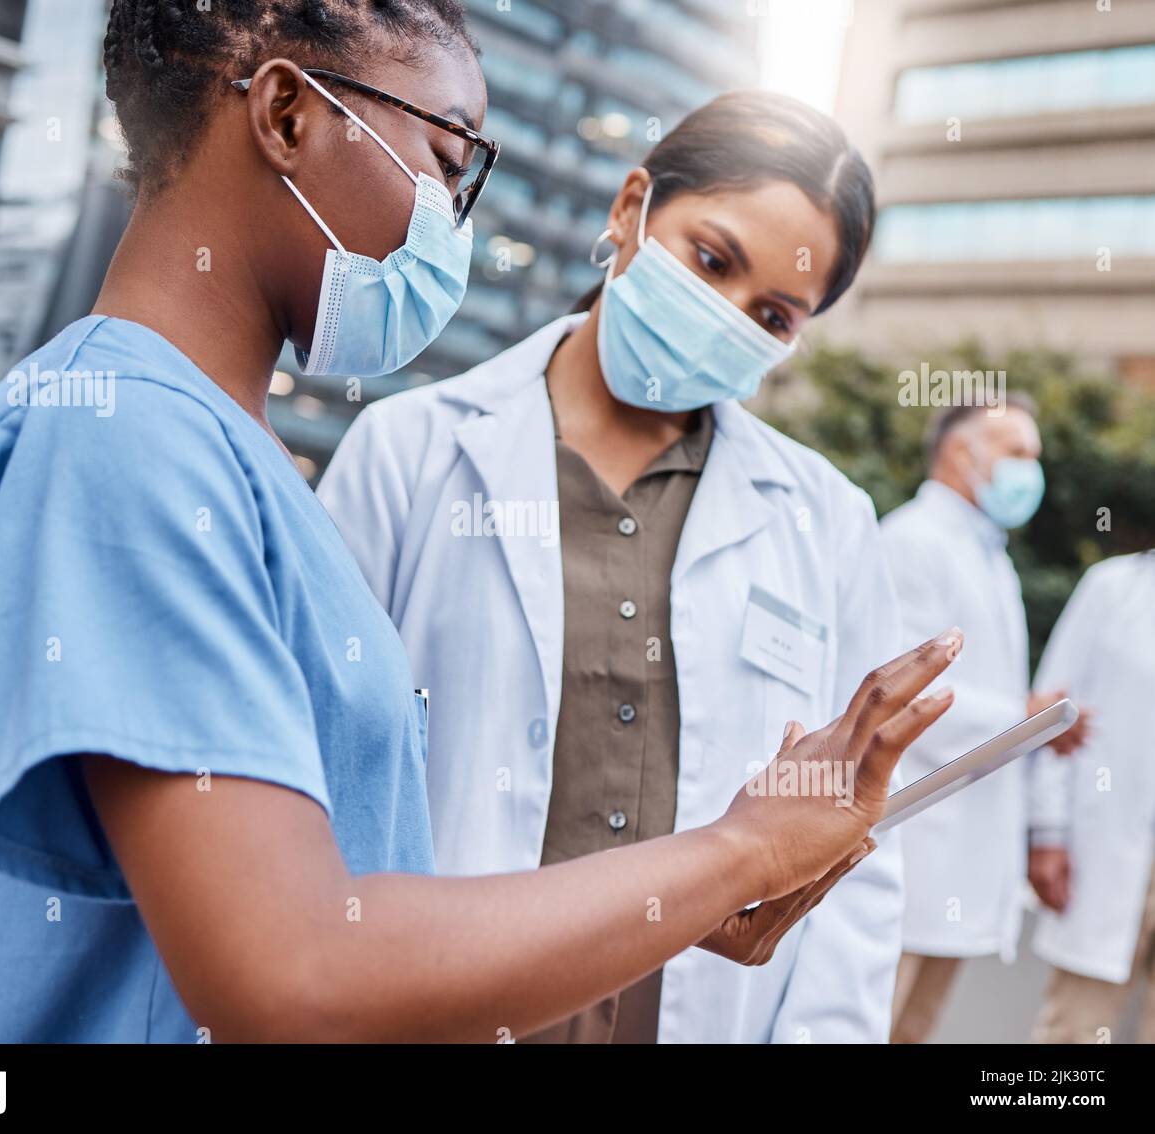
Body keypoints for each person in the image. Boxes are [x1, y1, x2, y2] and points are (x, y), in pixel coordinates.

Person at [0, 0, 959, 1043]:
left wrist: (696, 896)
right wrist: (738, 852)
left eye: (775, 315)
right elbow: (294, 970)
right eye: (446, 159)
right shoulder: (120, 437)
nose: (449, 223)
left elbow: (343, 876)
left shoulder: (230, 457)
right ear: (285, 113)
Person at [320, 91, 911, 1043]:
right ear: (630, 208)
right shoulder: (411, 453)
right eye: (711, 261)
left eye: (772, 312)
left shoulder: (827, 520)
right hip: (433, 1012)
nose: (727, 317)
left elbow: (856, 854)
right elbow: (321, 772)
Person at [881, 396, 1084, 1044]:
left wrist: (1032, 727)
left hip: (965, 853)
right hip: (910, 849)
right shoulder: (910, 541)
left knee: (912, 1032)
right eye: (1016, 452)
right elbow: (899, 692)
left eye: (1035, 456)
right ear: (959, 453)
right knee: (869, 1027)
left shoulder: (989, 556)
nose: (1030, 471)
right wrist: (1026, 720)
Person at [1028, 551, 1154, 1043]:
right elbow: (1054, 714)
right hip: (1111, 848)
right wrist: (1048, 832)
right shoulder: (1112, 588)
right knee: (1077, 1032)